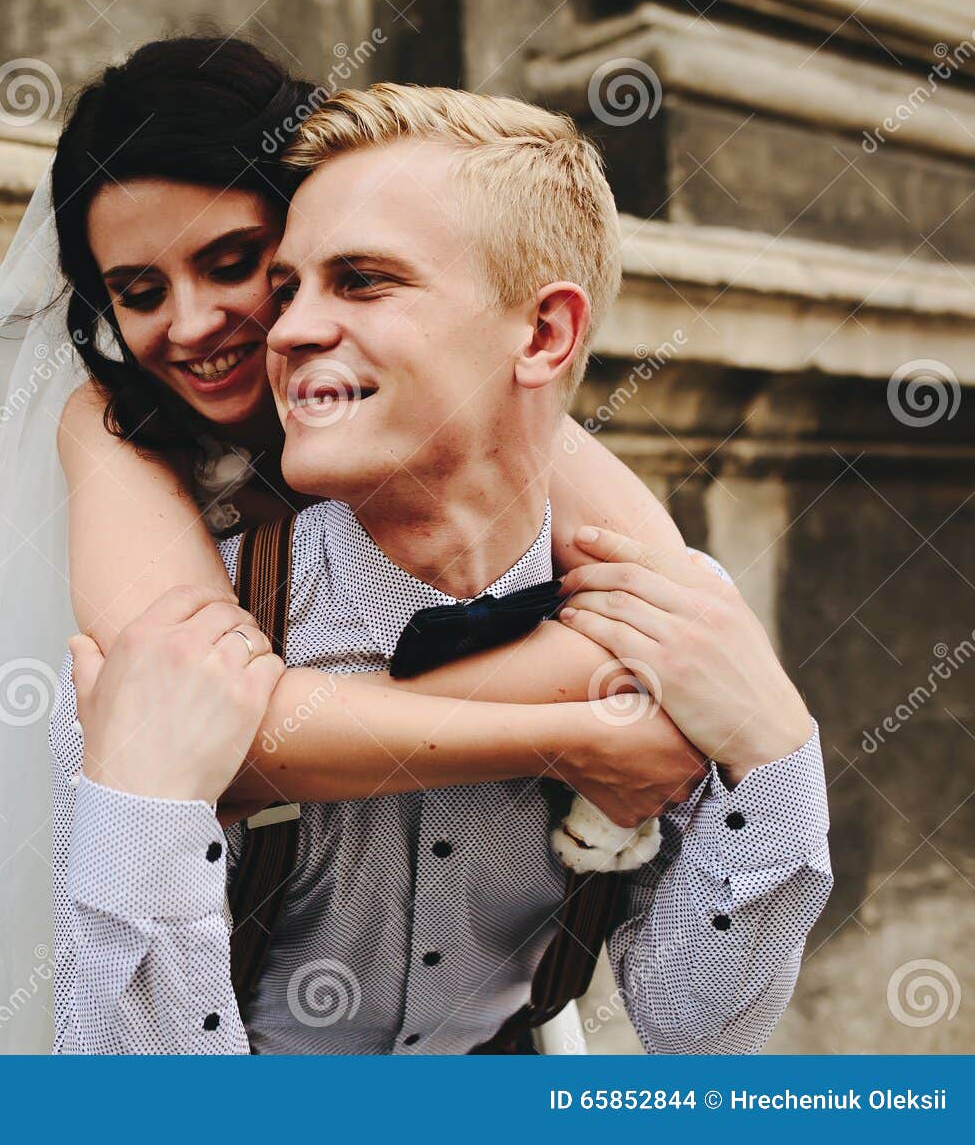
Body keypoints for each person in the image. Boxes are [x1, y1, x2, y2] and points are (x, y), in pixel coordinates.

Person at [0, 37, 695, 1055]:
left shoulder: (444, 403)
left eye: (231, 262)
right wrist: (574, 736)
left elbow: (658, 621)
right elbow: (207, 713)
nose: (192, 324)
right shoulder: (108, 421)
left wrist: (319, 733)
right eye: (138, 291)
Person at [51, 83, 832, 1054]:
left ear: (543, 334)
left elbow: (705, 1040)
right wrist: (587, 731)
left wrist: (774, 746)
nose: (246, 326)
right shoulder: (157, 628)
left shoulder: (656, 606)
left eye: (356, 279)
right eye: (289, 287)